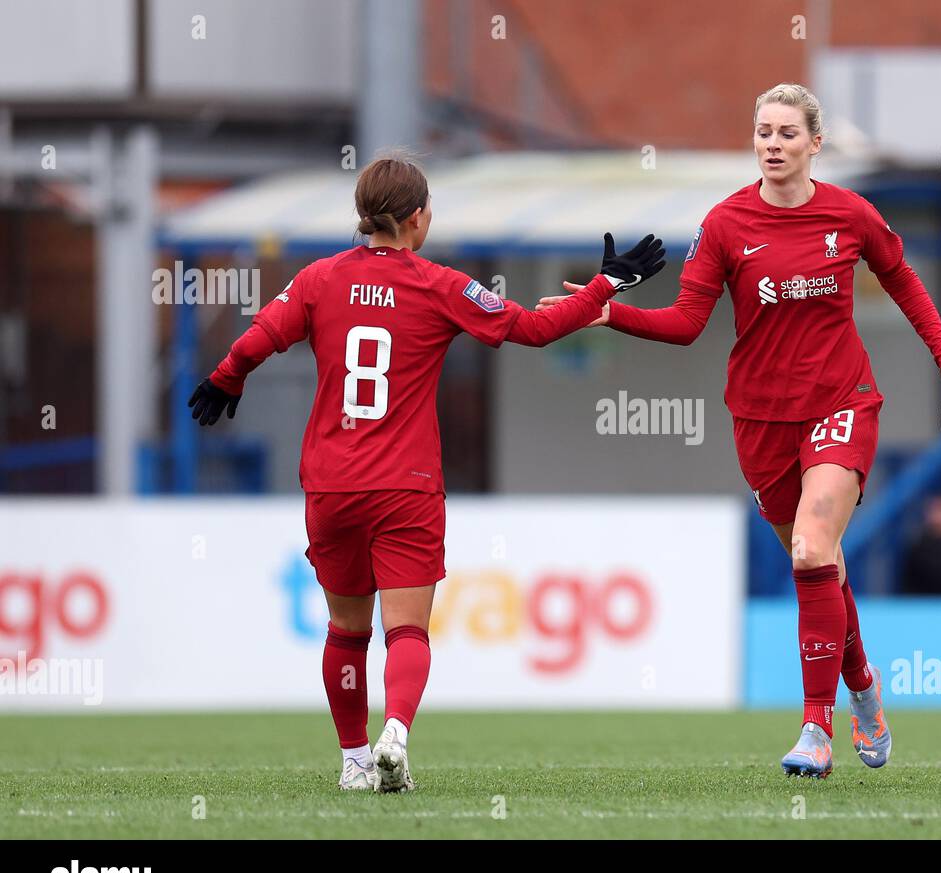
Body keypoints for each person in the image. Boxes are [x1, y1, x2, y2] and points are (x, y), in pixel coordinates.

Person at [187, 153, 665, 792]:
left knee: (346, 630)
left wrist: (225, 379)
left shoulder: (318, 280)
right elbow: (533, 328)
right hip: (405, 485)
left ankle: (354, 762)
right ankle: (398, 733)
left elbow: (257, 339)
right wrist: (606, 284)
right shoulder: (442, 285)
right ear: (416, 218)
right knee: (406, 629)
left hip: (330, 483)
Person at [538, 84, 941, 777]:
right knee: (820, 563)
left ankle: (815, 729)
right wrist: (609, 311)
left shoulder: (852, 214)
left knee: (809, 550)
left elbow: (904, 281)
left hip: (841, 401)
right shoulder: (725, 224)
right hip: (760, 419)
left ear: (814, 144)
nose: (772, 144)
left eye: (786, 133)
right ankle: (863, 686)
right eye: (762, 132)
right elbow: (686, 324)